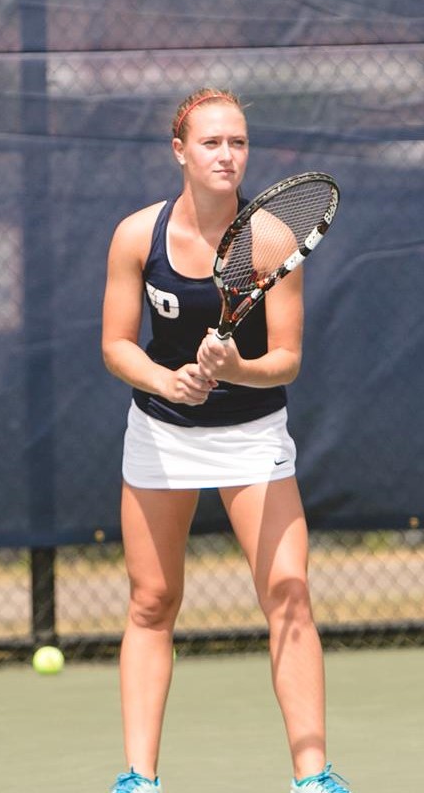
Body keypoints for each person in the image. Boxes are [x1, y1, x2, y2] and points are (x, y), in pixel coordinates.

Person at [98, 88, 352, 793]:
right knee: (152, 602)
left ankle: (313, 776)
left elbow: (288, 359)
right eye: (211, 142)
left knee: (289, 592)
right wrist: (165, 380)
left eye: (237, 142)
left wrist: (236, 367)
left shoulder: (270, 237)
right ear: (180, 151)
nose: (227, 154)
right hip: (161, 433)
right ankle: (138, 779)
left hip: (253, 437)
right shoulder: (135, 237)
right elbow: (116, 345)